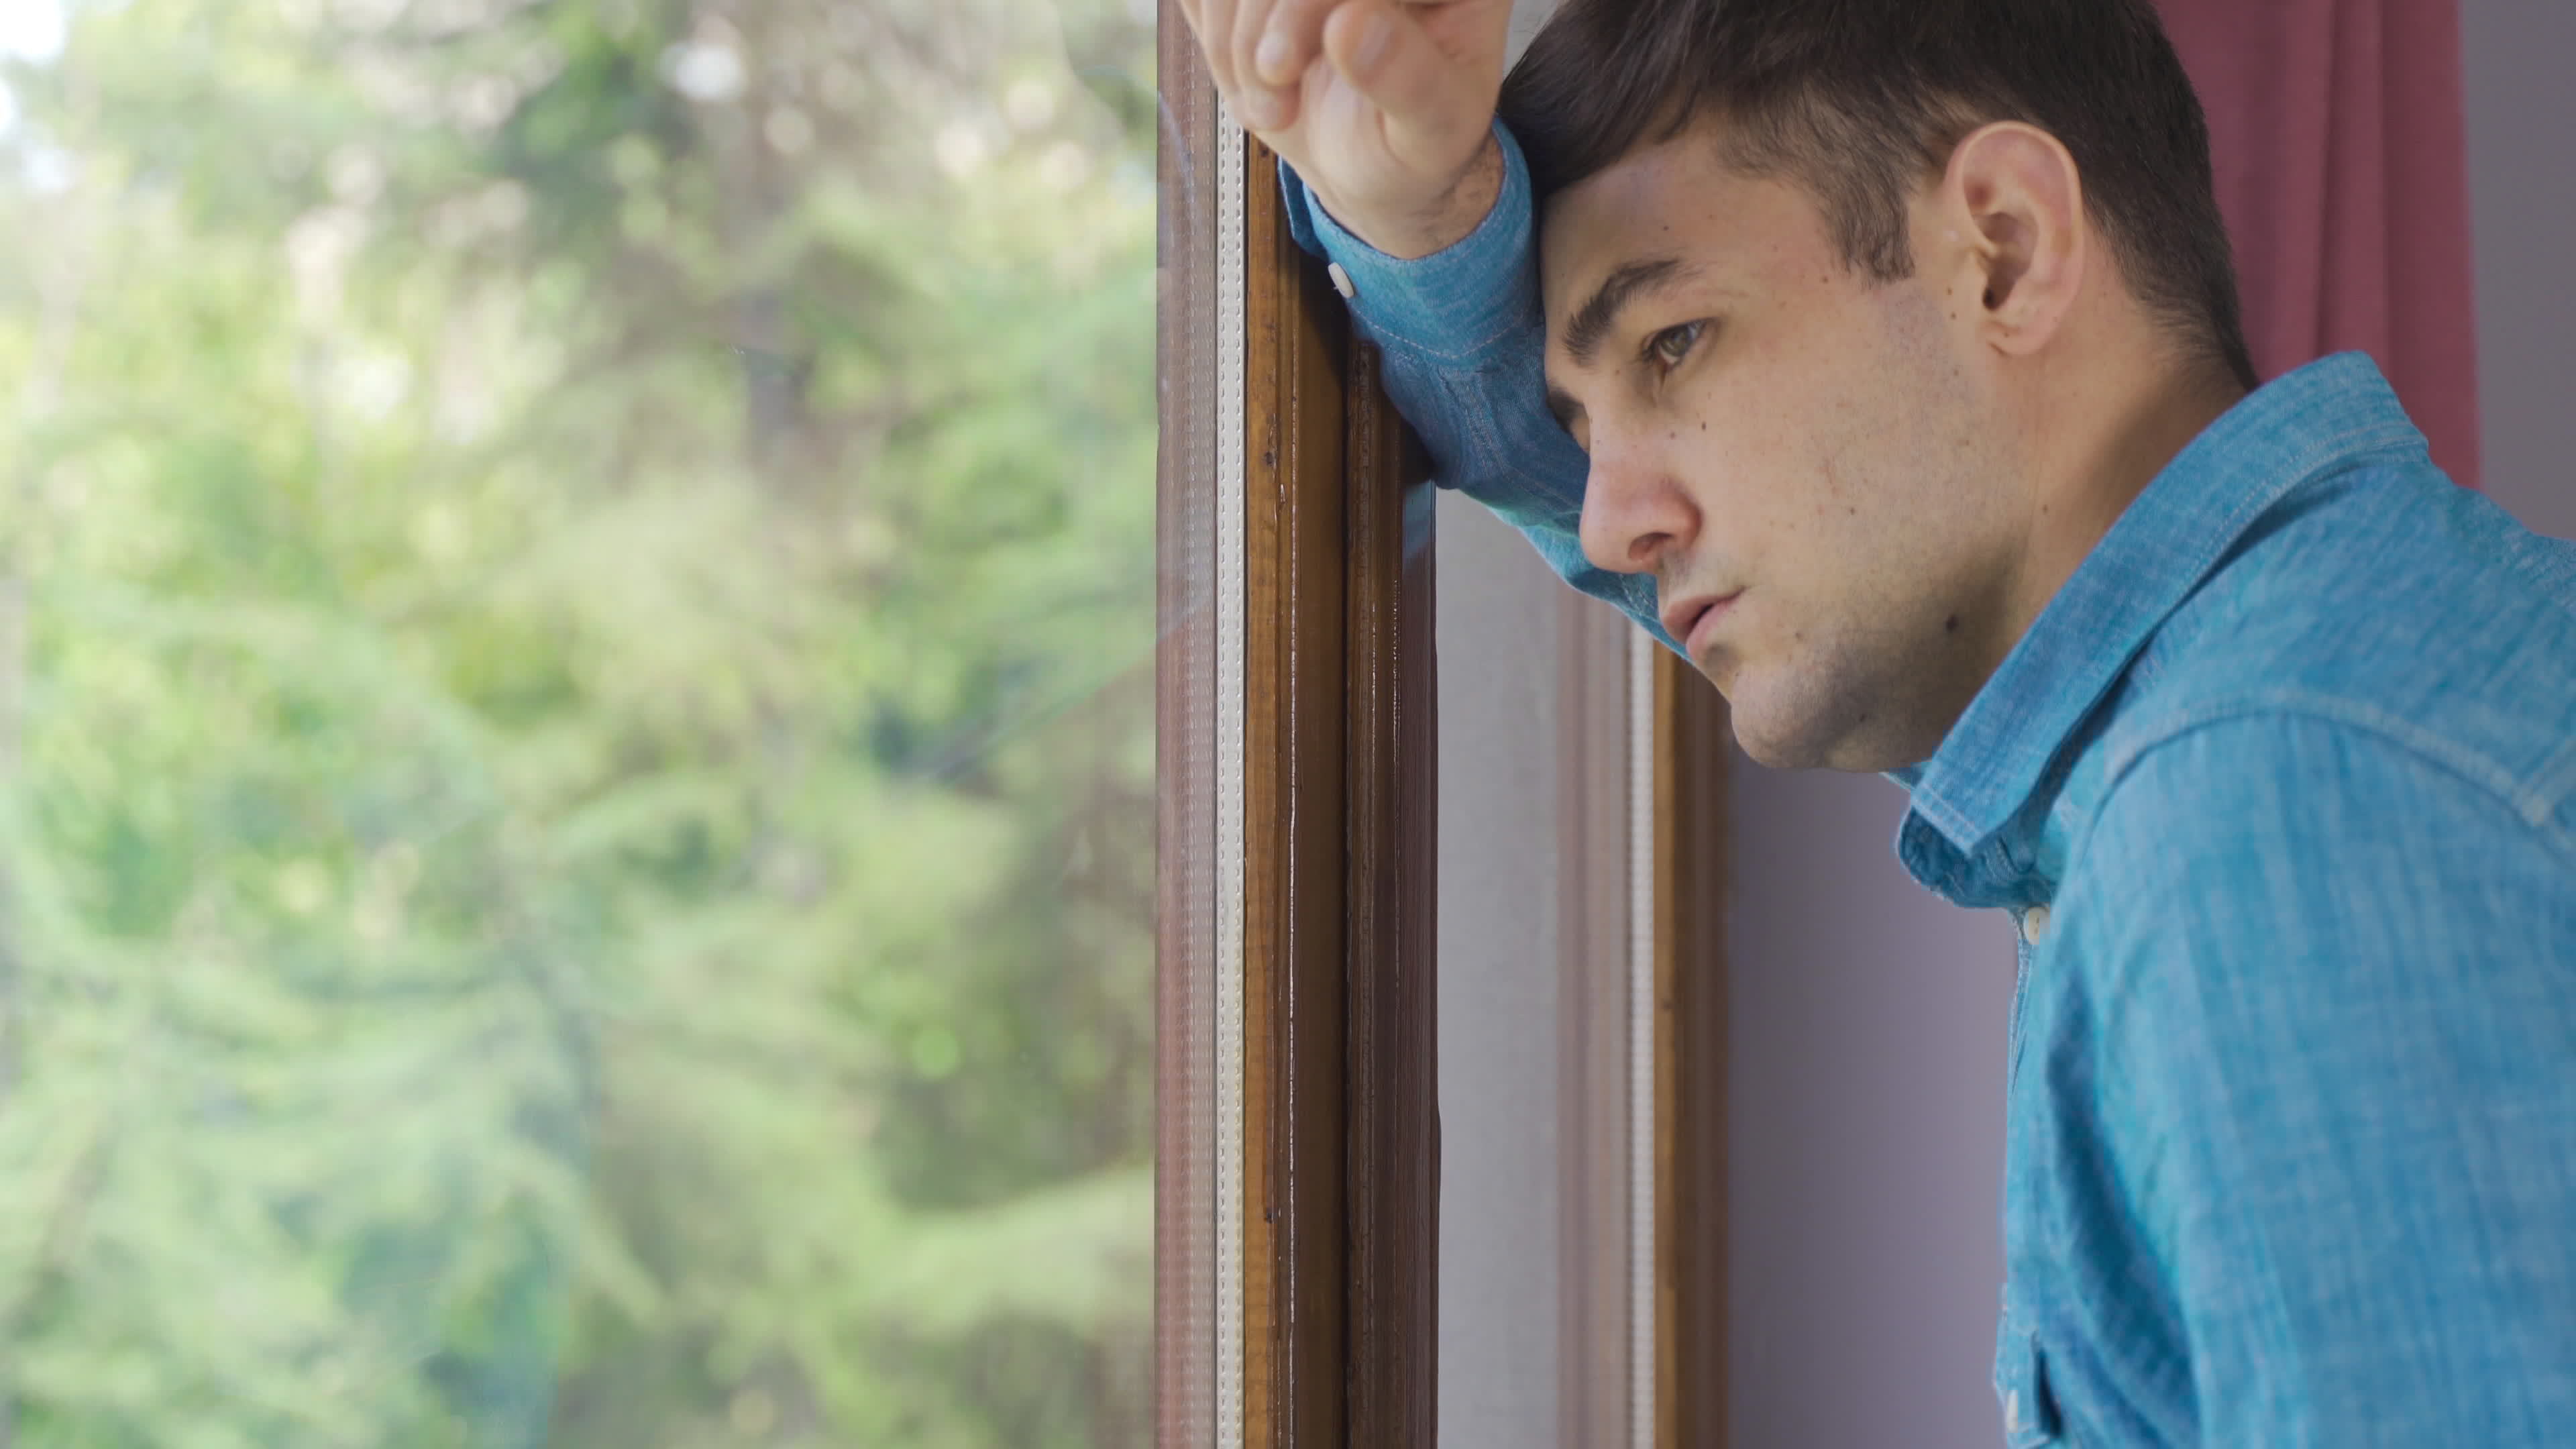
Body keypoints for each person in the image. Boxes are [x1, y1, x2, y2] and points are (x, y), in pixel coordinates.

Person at [1174, 0, 2576, 1441]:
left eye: (1674, 345)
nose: (1611, 516)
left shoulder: (2264, 818)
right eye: (1588, 427)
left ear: (2006, 250)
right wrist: (1423, 219)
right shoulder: (2315, 669)